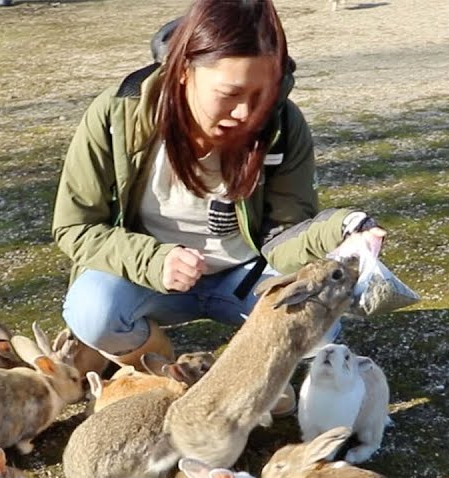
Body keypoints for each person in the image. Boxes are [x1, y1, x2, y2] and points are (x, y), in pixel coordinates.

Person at [52, 0, 387, 374]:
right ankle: (161, 370)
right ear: (182, 71)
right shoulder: (119, 114)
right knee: (93, 314)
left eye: (260, 95)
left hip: (243, 279)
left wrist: (339, 227)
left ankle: (248, 381)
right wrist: (154, 260)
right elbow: (75, 227)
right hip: (149, 279)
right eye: (229, 94)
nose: (245, 113)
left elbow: (287, 234)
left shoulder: (282, 123)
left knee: (319, 327)